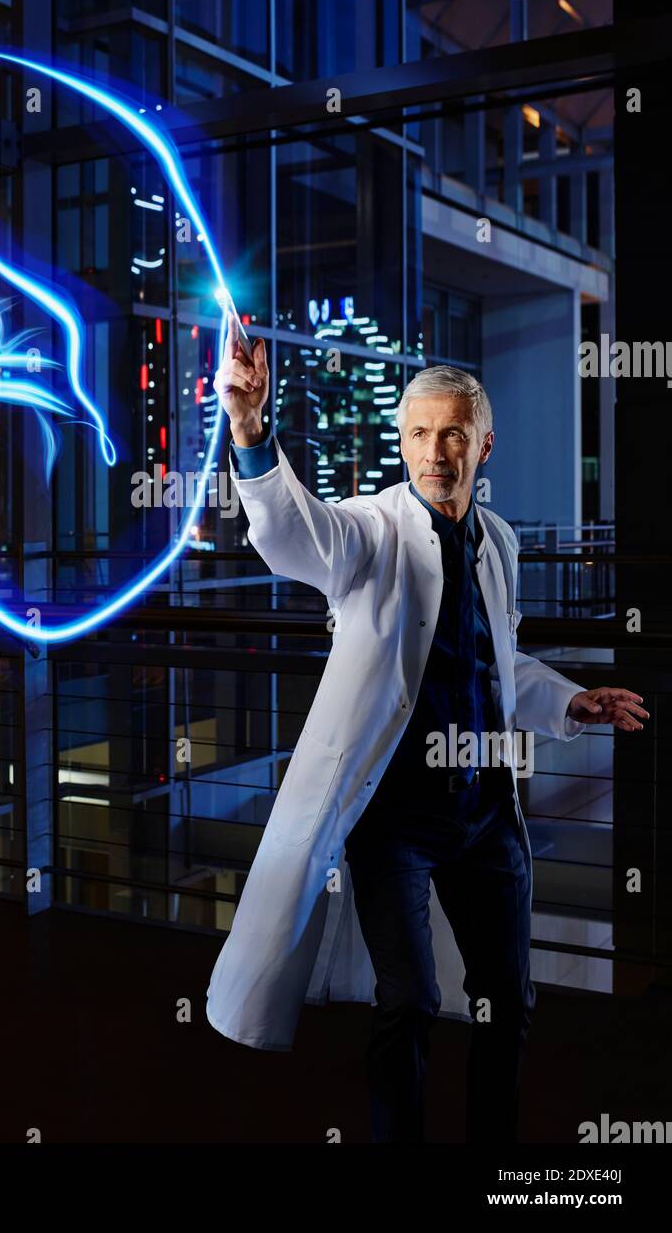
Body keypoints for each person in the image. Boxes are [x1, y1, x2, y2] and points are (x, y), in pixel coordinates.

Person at [210, 319, 648, 1142]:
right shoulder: (372, 534)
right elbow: (294, 535)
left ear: (485, 446)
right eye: (418, 434)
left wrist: (570, 700)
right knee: (409, 1000)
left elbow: (494, 661)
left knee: (509, 1002)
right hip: (397, 823)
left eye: (453, 434)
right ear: (401, 443)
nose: (434, 452)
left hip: (488, 818)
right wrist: (250, 429)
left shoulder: (501, 542)